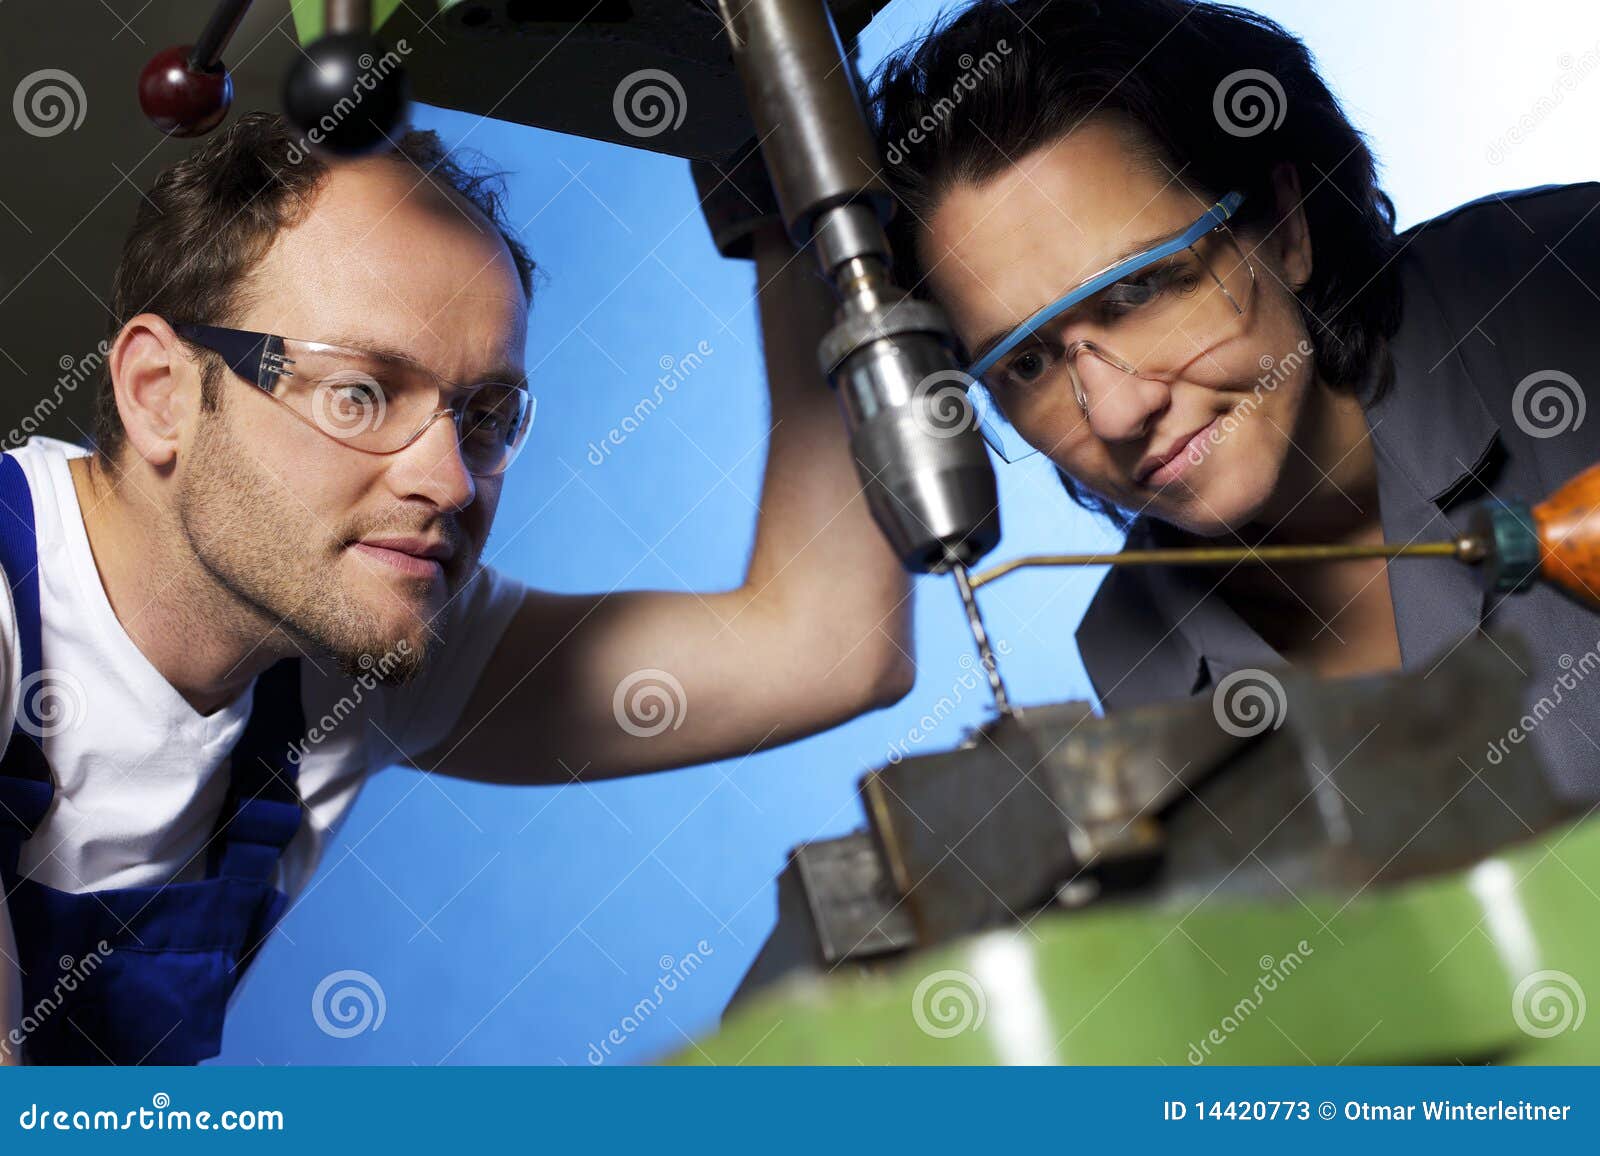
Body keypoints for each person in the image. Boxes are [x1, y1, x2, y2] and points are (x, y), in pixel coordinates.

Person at [0, 112, 914, 1064]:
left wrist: (792, 201)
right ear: (159, 391)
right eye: (359, 393)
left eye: (484, 416)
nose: (447, 482)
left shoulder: (341, 629)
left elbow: (830, 645)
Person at [871, 0, 1600, 798]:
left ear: (1285, 225)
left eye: (1141, 287)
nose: (1115, 413)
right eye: (1029, 364)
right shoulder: (1140, 657)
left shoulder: (1561, 283)